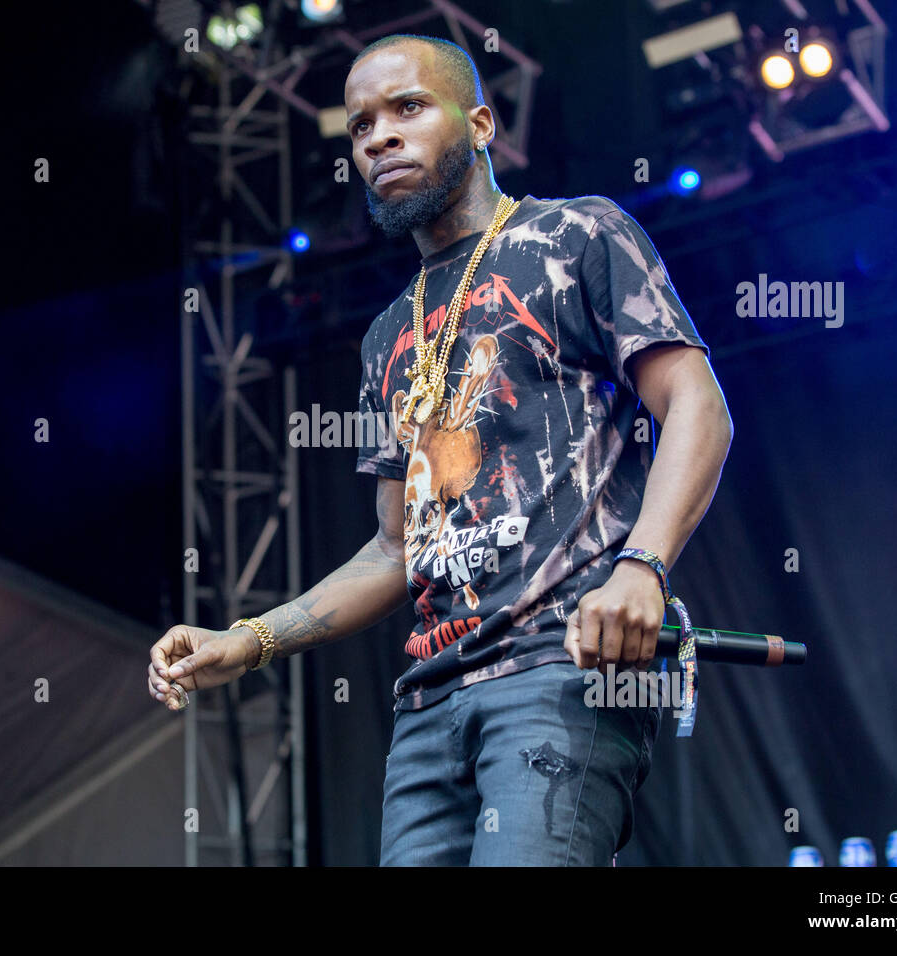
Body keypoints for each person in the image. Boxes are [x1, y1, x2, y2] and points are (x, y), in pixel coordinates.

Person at [148, 33, 733, 866]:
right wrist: (247, 640)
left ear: (482, 123)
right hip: (428, 708)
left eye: (408, 108)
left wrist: (643, 567)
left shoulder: (579, 236)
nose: (378, 137)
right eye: (359, 126)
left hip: (560, 672)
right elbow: (395, 549)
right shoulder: (388, 335)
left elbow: (698, 409)